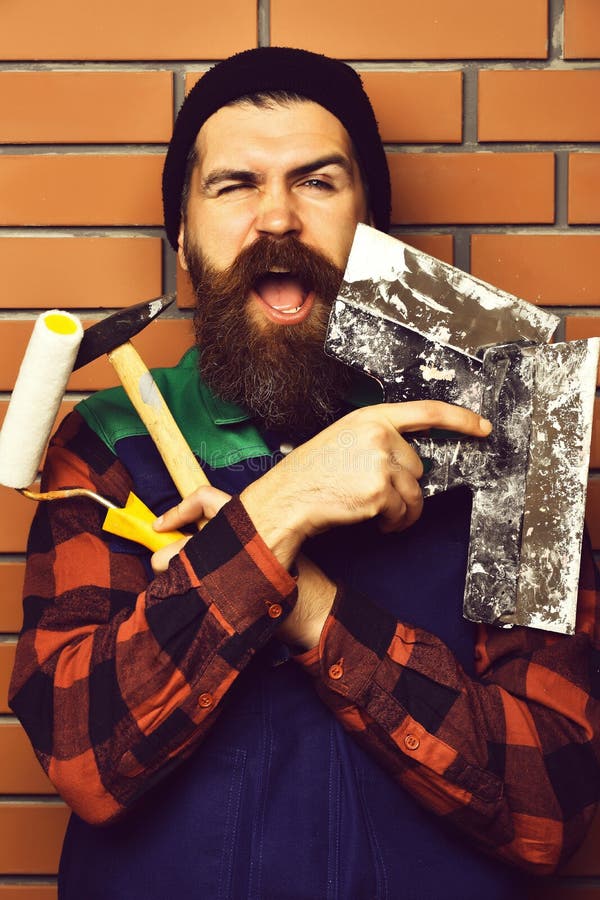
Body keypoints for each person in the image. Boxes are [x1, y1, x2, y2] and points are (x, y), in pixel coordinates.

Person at [9, 47, 600, 900]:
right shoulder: (105, 444)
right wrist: (279, 511)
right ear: (183, 239)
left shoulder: (510, 426)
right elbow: (82, 754)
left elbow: (548, 809)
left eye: (318, 182)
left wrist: (311, 606)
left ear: (372, 231)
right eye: (234, 185)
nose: (278, 219)